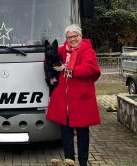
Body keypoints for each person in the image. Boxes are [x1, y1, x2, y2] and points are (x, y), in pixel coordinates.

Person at [46, 24, 101, 166]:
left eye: (74, 36)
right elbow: (48, 58)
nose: (72, 39)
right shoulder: (62, 50)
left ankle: (83, 163)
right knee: (66, 135)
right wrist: (51, 72)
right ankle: (69, 161)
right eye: (69, 37)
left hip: (81, 101)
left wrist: (66, 69)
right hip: (64, 102)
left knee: (83, 135)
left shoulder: (88, 51)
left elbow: (89, 69)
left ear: (80, 36)